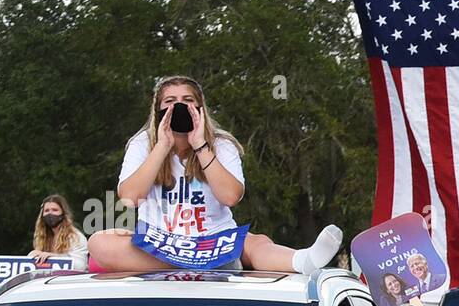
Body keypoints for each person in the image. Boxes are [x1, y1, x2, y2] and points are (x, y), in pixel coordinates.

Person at [93, 75, 342, 274]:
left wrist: (200, 145)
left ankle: (303, 260)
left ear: (200, 108)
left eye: (187, 99)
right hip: (160, 244)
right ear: (157, 110)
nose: (178, 106)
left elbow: (231, 196)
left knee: (255, 243)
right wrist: (162, 146)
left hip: (212, 243)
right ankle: (193, 267)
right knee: (99, 242)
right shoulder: (142, 143)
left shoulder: (221, 144)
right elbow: (129, 198)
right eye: (170, 101)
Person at [30, 195, 90, 271]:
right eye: (47, 210)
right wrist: (32, 256)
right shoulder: (41, 236)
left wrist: (53, 257)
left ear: (63, 213)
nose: (50, 213)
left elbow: (80, 266)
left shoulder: (76, 237)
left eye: (55, 210)